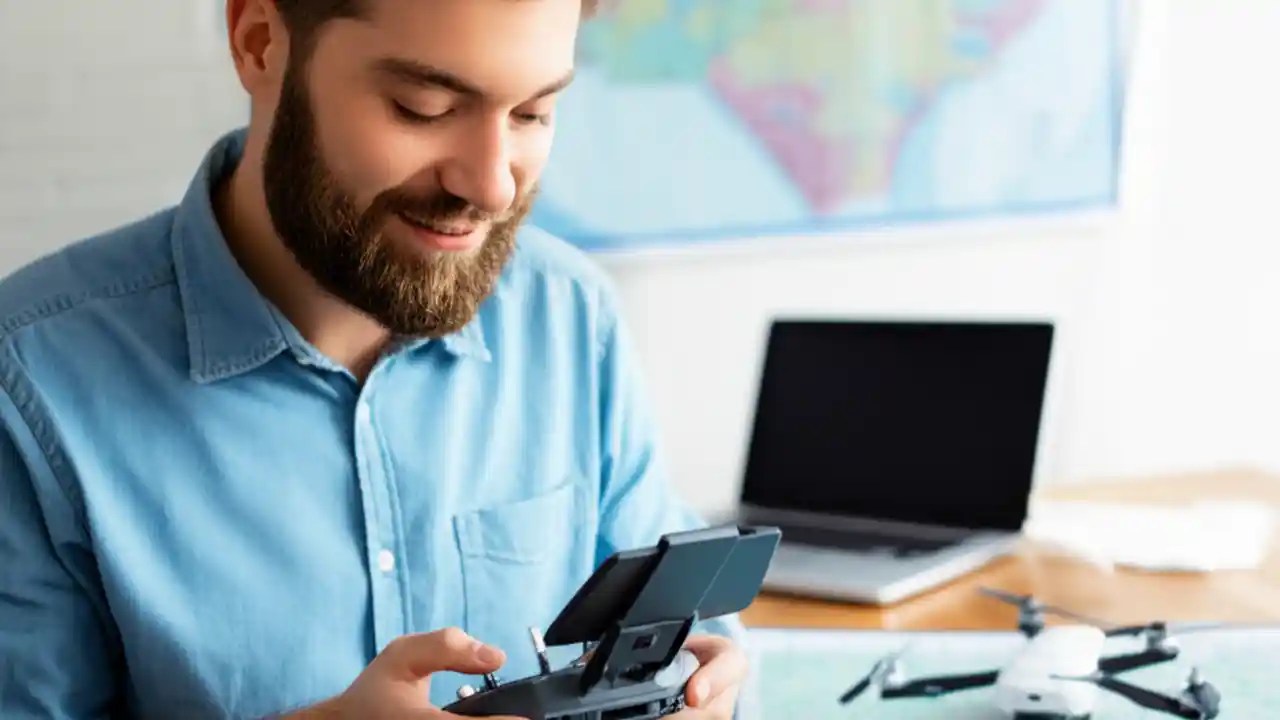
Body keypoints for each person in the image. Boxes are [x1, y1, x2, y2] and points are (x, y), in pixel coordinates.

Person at [0, 0, 748, 717]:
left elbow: (692, 629)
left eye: (533, 114)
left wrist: (708, 691)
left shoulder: (571, 318)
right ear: (260, 41)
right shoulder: (30, 381)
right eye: (424, 107)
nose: (490, 185)